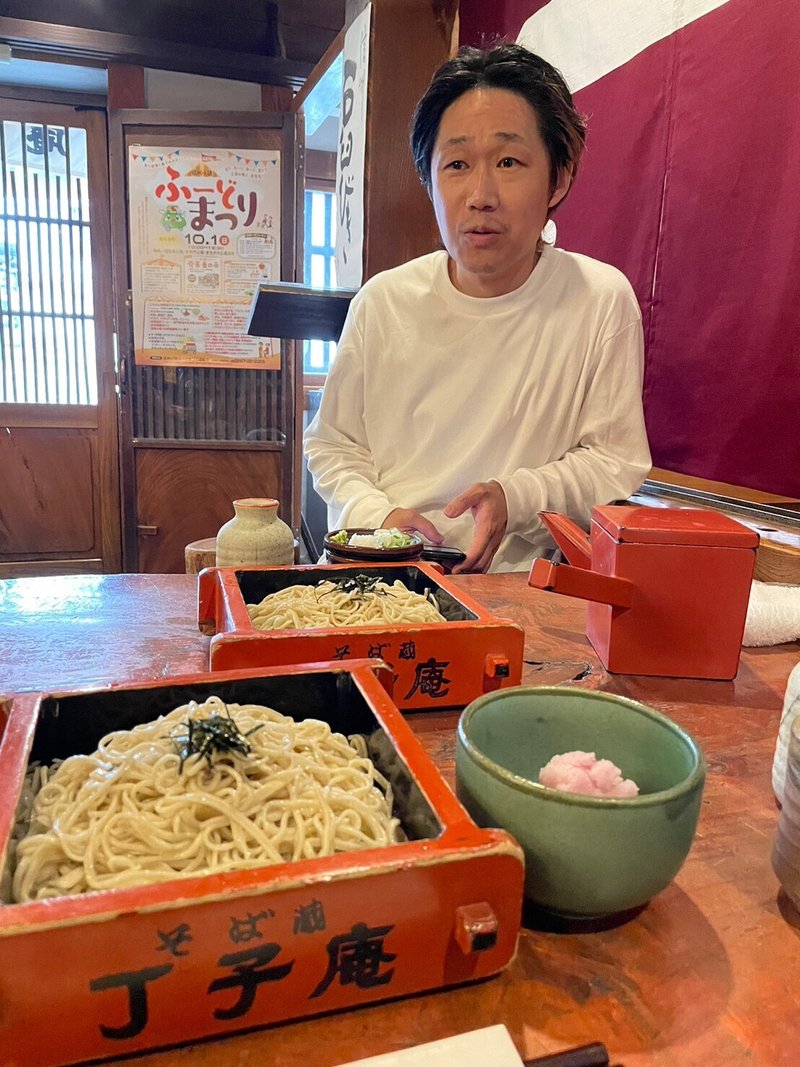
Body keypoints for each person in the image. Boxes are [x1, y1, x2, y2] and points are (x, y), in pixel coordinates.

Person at [305, 43, 651, 573]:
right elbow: (334, 445)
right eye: (458, 164)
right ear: (430, 180)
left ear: (558, 178)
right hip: (381, 574)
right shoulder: (383, 301)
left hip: (521, 590)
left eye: (509, 161)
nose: (480, 194)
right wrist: (378, 518)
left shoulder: (599, 300)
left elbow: (614, 461)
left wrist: (517, 496)